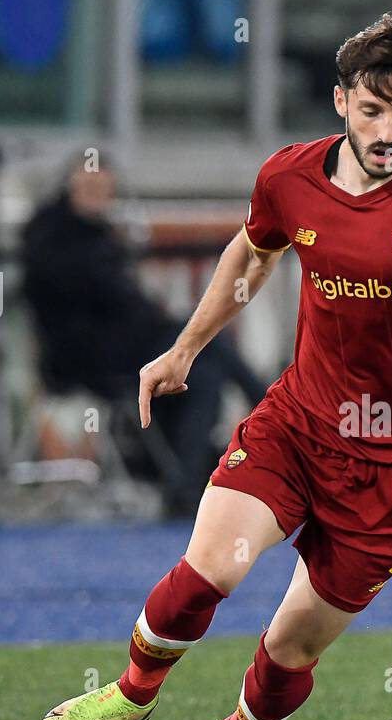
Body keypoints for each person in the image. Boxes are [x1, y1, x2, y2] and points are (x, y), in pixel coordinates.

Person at [37, 13, 392, 720]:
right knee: (212, 567)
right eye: (374, 110)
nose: (389, 129)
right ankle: (133, 693)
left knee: (288, 645)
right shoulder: (290, 178)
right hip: (300, 423)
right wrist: (185, 349)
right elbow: (251, 254)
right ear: (342, 101)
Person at [21, 158, 265, 511]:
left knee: (207, 377)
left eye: (104, 191)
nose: (97, 198)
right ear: (69, 189)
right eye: (89, 189)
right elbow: (110, 301)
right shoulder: (53, 240)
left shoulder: (96, 236)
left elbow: (125, 304)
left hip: (128, 347)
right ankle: (272, 412)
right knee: (210, 341)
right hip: (89, 360)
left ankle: (185, 489)